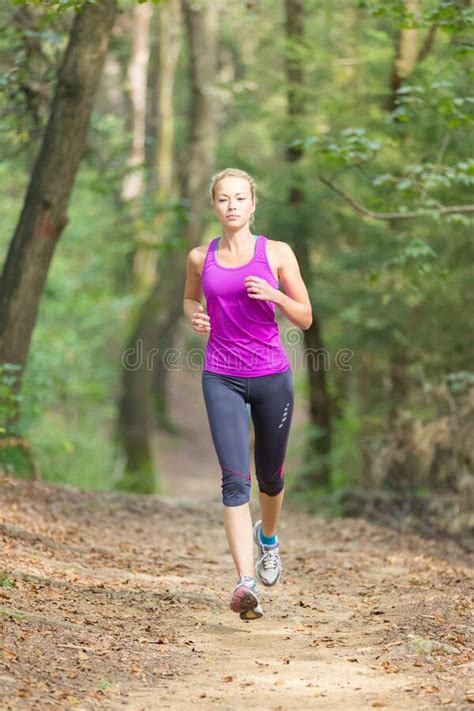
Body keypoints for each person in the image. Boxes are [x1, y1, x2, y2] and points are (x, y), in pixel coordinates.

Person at [183, 167, 312, 620]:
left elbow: (306, 317)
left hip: (272, 376)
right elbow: (190, 300)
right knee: (235, 480)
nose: (232, 205)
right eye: (223, 198)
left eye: (240, 198)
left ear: (253, 204)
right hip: (221, 376)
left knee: (271, 477)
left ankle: (269, 540)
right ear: (214, 205)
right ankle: (244, 582)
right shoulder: (202, 256)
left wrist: (275, 296)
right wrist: (195, 316)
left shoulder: (276, 253)